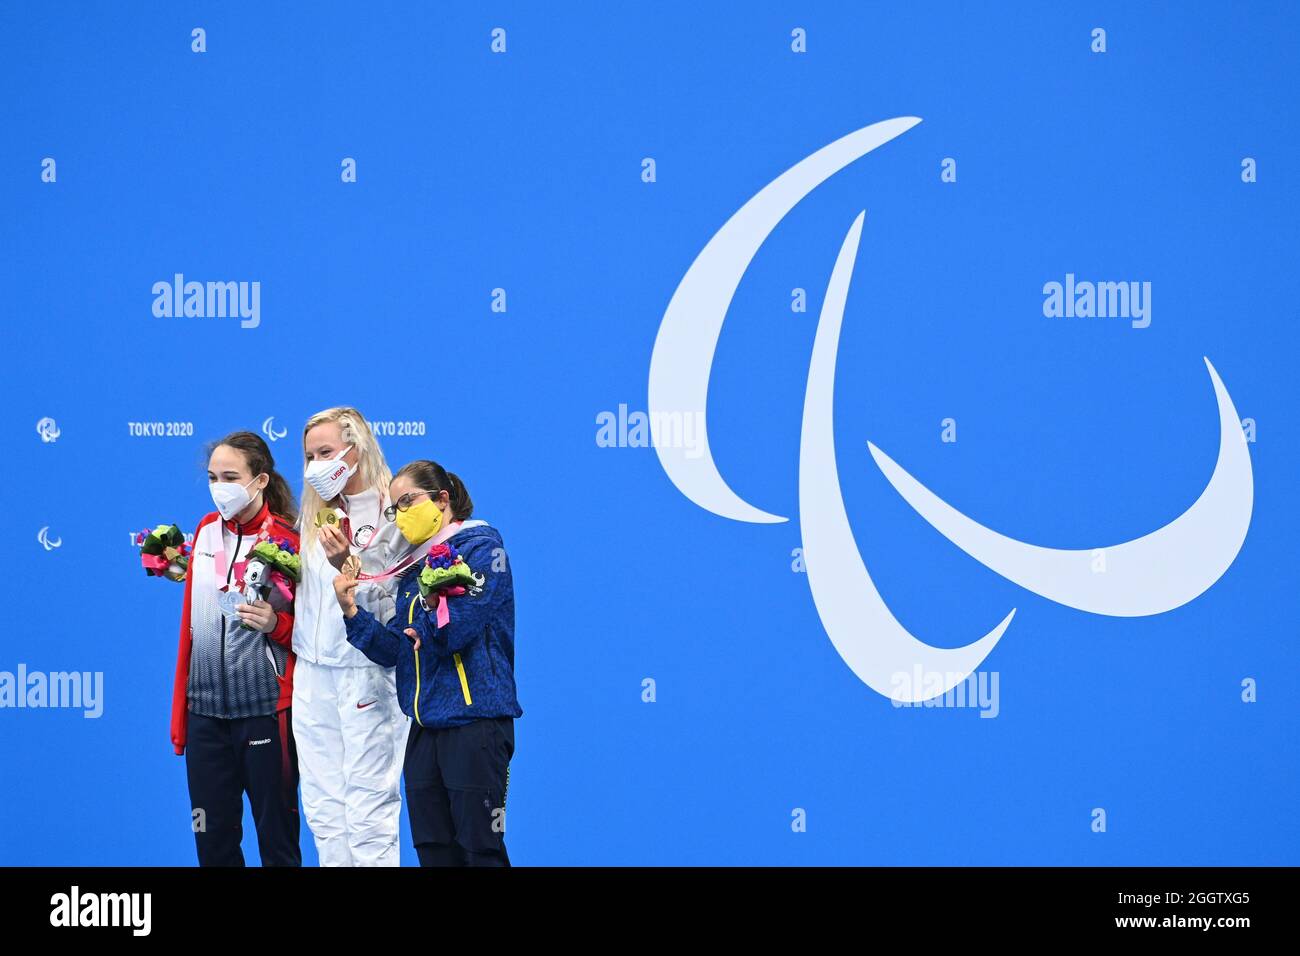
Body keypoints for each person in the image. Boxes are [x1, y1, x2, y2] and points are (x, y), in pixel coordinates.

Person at [333, 460, 521, 866]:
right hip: (423, 727)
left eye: (409, 501)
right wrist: (352, 612)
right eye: (394, 508)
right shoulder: (411, 571)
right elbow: (396, 651)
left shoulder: (483, 549)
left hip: (474, 723)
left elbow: (457, 632)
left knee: (480, 849)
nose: (401, 514)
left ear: (442, 499)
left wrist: (433, 615)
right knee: (433, 850)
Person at [169, 431, 302, 866]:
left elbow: (315, 630)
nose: (218, 486)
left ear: (260, 480)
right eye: (212, 476)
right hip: (205, 714)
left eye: (230, 476)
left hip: (264, 710)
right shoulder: (205, 531)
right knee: (213, 846)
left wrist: (277, 624)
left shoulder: (289, 541)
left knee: (277, 843)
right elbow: (195, 620)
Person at [291, 407, 412, 866]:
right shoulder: (311, 517)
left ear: (355, 449)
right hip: (313, 673)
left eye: (325, 452)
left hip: (368, 675)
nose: (315, 465)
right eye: (308, 456)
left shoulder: (393, 513)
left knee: (369, 807)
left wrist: (350, 565)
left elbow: (395, 597)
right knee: (323, 808)